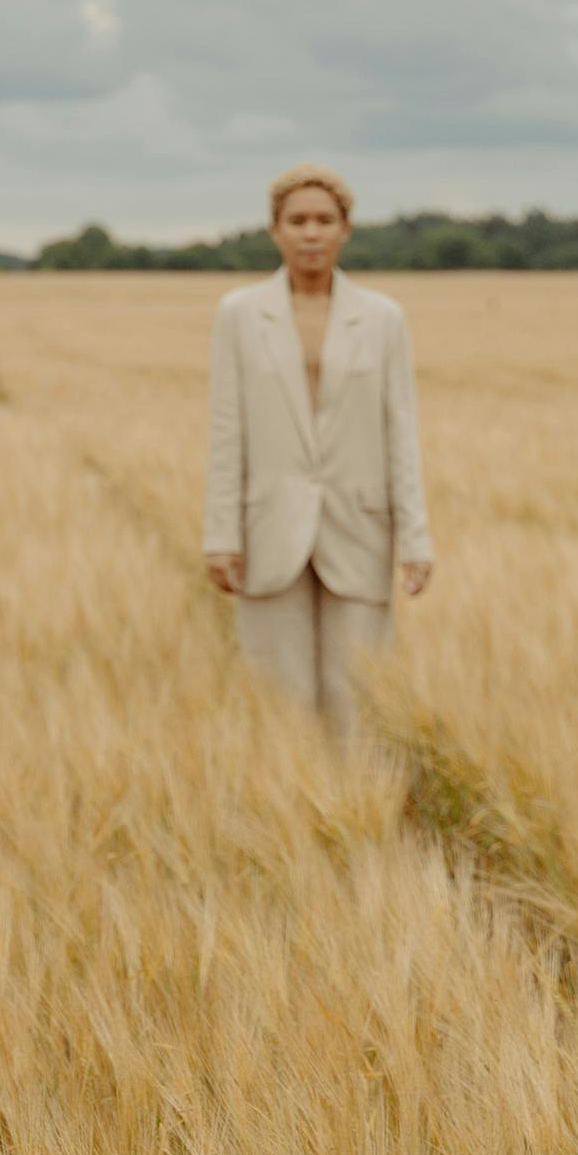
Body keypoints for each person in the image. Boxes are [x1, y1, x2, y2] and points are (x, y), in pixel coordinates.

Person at [202, 161, 431, 740]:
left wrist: (415, 538)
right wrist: (221, 535)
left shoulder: (383, 319)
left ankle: (358, 813)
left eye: (324, 220)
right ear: (274, 229)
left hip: (360, 530)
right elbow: (226, 431)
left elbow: (401, 430)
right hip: (267, 533)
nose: (311, 233)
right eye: (297, 220)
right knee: (280, 700)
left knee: (359, 700)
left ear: (346, 230)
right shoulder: (239, 315)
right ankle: (290, 817)